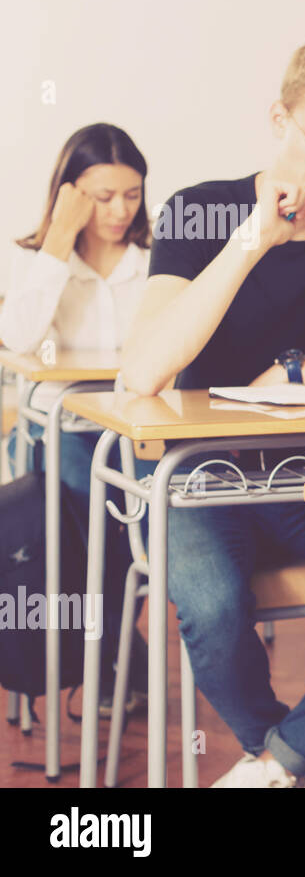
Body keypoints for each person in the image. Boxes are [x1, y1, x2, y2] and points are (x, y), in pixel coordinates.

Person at [120, 37, 305, 786]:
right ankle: (283, 754)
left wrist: (301, 368)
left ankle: (277, 765)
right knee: (212, 606)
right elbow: (143, 370)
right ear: (277, 118)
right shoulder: (198, 208)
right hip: (200, 471)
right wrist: (253, 240)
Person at [1, 123, 151, 712]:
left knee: (138, 521)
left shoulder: (156, 259)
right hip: (63, 428)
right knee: (88, 513)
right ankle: (114, 653)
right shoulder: (38, 260)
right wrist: (59, 240)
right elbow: (15, 338)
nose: (119, 210)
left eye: (132, 194)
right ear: (69, 193)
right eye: (101, 196)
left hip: (136, 425)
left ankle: (113, 652)